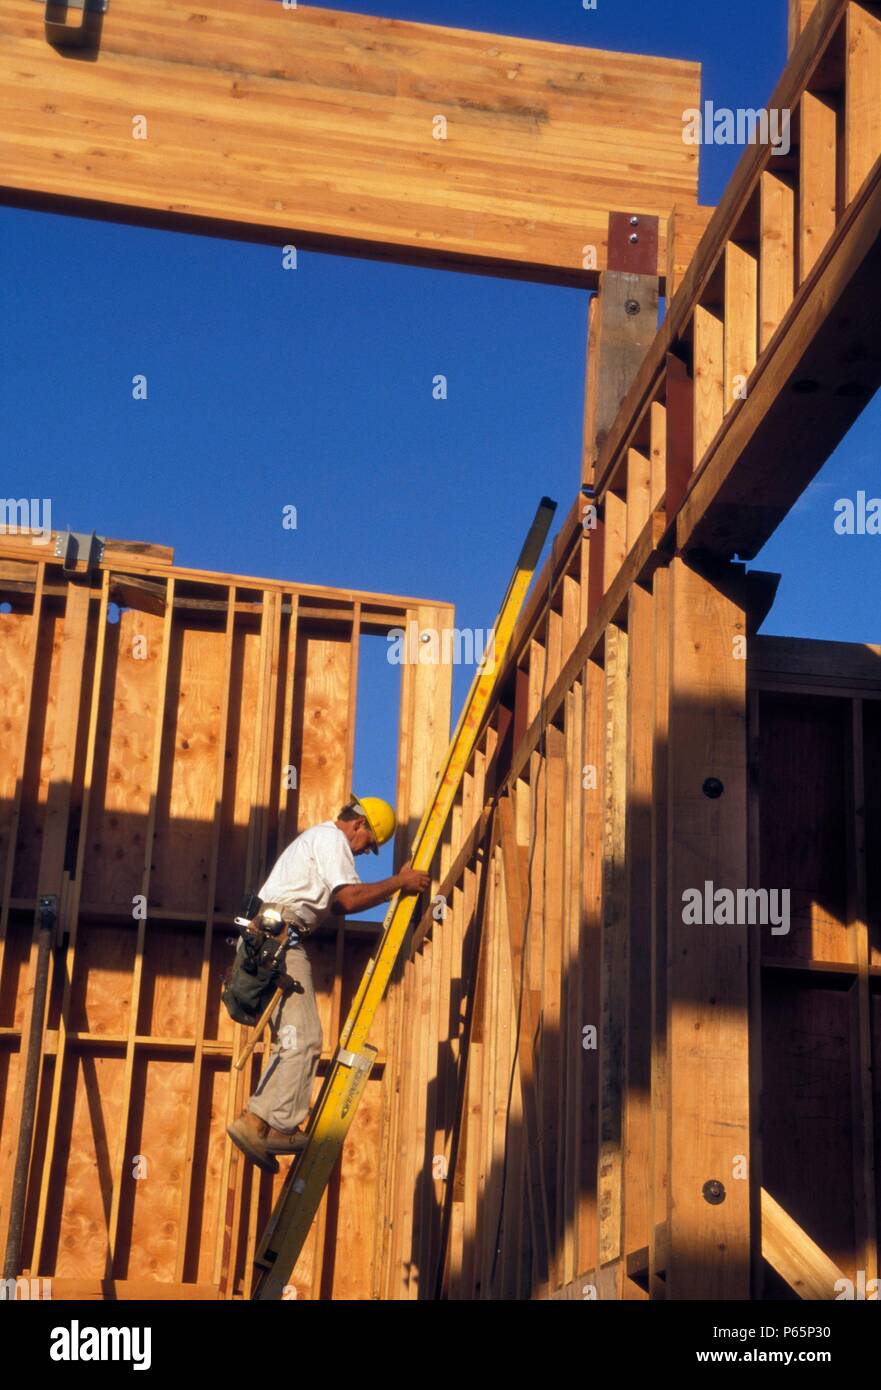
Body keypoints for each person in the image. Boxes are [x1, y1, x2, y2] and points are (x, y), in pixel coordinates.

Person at [226, 796, 430, 1174]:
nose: (366, 853)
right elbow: (349, 900)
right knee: (304, 1039)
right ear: (358, 825)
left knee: (294, 1038)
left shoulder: (318, 842)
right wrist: (400, 882)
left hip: (269, 939)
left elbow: (336, 906)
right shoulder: (332, 840)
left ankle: (262, 1123)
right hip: (278, 940)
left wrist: (390, 886)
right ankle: (265, 1124)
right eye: (368, 845)